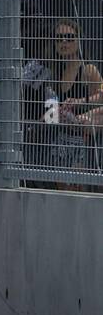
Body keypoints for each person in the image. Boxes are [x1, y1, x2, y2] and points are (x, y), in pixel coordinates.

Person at [48, 17, 103, 189]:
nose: (64, 42)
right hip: (61, 141)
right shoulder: (55, 72)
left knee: (76, 190)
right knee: (62, 191)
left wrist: (79, 101)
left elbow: (102, 96)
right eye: (59, 38)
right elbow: (51, 110)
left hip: (83, 141)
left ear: (78, 40)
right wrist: (51, 114)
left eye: (70, 37)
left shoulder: (88, 70)